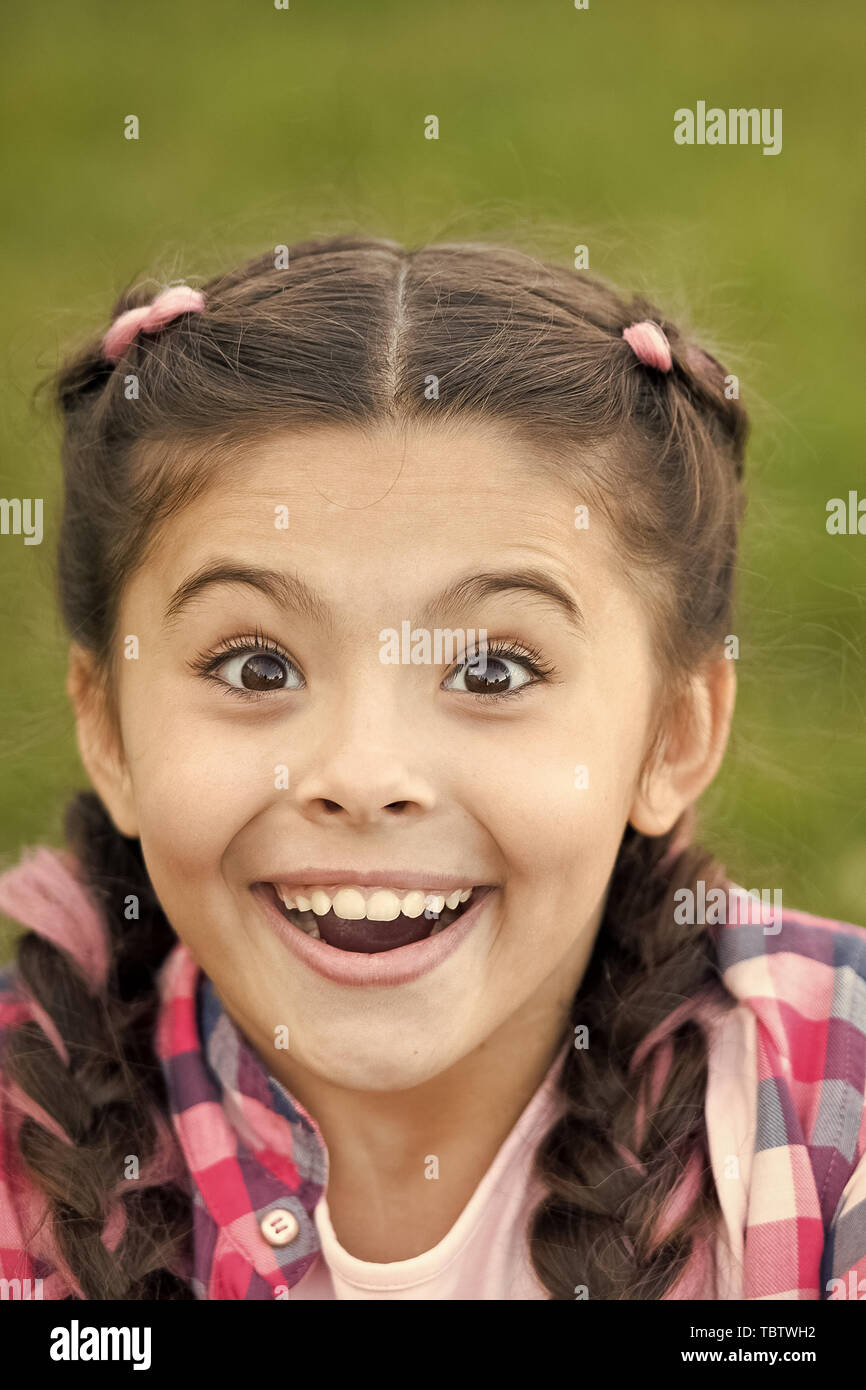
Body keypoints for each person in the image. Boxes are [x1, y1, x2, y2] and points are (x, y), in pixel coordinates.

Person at [0, 236, 863, 1301]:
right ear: (113, 731)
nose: (363, 775)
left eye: (493, 670)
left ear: (670, 737)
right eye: (256, 664)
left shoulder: (837, 1109)